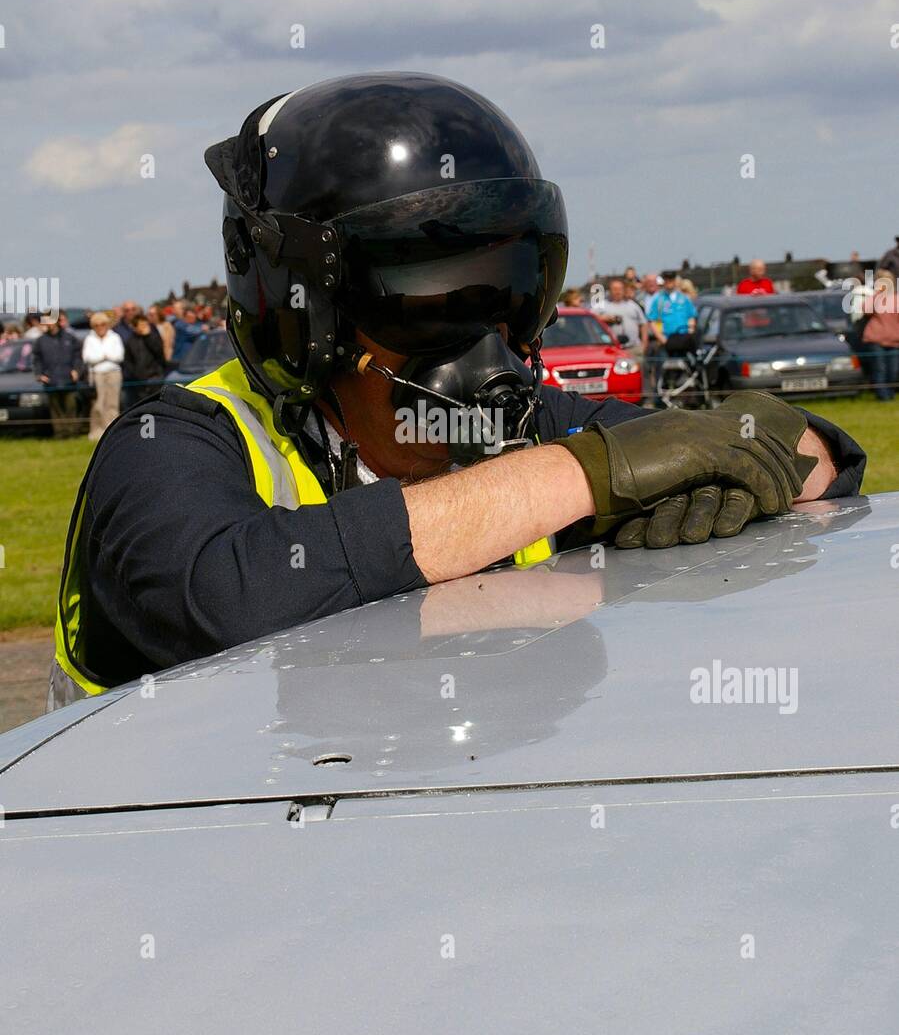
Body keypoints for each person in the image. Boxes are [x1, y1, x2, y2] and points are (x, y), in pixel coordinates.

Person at [49, 72, 865, 707]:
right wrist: (584, 476)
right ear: (303, 316)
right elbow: (223, 597)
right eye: (432, 299)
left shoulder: (530, 423)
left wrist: (768, 445)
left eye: (510, 293)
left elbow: (802, 453)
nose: (487, 348)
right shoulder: (174, 445)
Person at [32, 313, 83, 437]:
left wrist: (76, 370)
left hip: (69, 379)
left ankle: (72, 433)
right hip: (50, 380)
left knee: (71, 407)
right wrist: (39, 375)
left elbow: (78, 357)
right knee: (56, 410)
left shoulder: (70, 338)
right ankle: (60, 433)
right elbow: (37, 360)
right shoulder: (40, 341)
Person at [82, 311, 124, 440]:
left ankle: (112, 431)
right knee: (98, 404)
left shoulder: (115, 337)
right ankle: (96, 432)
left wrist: (102, 356)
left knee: (112, 403)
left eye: (103, 324)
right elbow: (87, 357)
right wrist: (104, 356)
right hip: (96, 374)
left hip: (113, 373)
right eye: (97, 325)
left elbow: (119, 356)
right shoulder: (89, 338)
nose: (100, 327)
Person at [860, 272, 899, 401]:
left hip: (894, 341)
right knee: (880, 369)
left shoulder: (896, 298)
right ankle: (883, 397)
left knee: (893, 371)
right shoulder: (874, 298)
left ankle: (890, 394)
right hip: (875, 340)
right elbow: (866, 310)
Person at [122, 310, 167, 407]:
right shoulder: (131, 341)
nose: (144, 327)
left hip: (155, 378)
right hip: (139, 381)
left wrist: (147, 336)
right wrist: (135, 374)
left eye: (145, 324)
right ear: (134, 327)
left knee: (156, 405)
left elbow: (159, 353)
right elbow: (128, 361)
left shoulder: (154, 336)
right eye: (141, 325)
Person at [599, 278, 647, 349]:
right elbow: (589, 319)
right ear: (609, 291)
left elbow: (643, 324)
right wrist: (605, 318)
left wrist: (644, 344)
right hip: (611, 348)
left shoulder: (633, 305)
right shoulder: (602, 305)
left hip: (634, 348)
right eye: (614, 289)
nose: (617, 292)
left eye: (620, 289)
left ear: (624, 290)